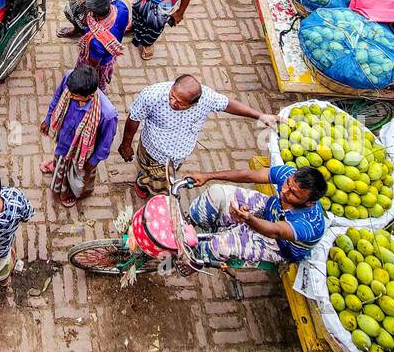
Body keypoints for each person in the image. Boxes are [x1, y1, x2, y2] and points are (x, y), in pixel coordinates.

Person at [118, 75, 281, 197]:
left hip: (180, 154)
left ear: (194, 103)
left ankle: (152, 182)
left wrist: (260, 116)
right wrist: (126, 145)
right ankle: (142, 184)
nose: (173, 102)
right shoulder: (152, 95)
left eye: (180, 102)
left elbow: (228, 104)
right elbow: (134, 118)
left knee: (166, 176)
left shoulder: (207, 98)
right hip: (153, 152)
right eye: (172, 96)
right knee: (152, 177)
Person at [186, 163, 327, 265]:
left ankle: (193, 259)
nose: (284, 191)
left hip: (279, 245)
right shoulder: (288, 175)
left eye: (293, 194)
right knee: (216, 194)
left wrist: (248, 219)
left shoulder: (310, 225)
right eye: (287, 184)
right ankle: (188, 224)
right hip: (269, 209)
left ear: (310, 203)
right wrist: (207, 176)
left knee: (219, 246)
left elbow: (276, 231)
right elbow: (248, 175)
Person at [41, 65, 118, 206]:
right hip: (64, 137)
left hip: (83, 153)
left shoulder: (107, 114)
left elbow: (106, 143)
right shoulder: (70, 79)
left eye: (74, 96)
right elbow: (58, 96)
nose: (69, 95)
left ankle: (70, 192)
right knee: (60, 156)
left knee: (77, 175)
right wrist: (48, 119)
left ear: (89, 96)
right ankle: (57, 166)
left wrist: (93, 161)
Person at [72, 0, 129, 90]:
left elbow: (92, 65)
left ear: (93, 11)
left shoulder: (96, 41)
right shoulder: (121, 6)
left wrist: (87, 75)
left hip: (101, 61)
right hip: (110, 55)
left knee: (96, 77)